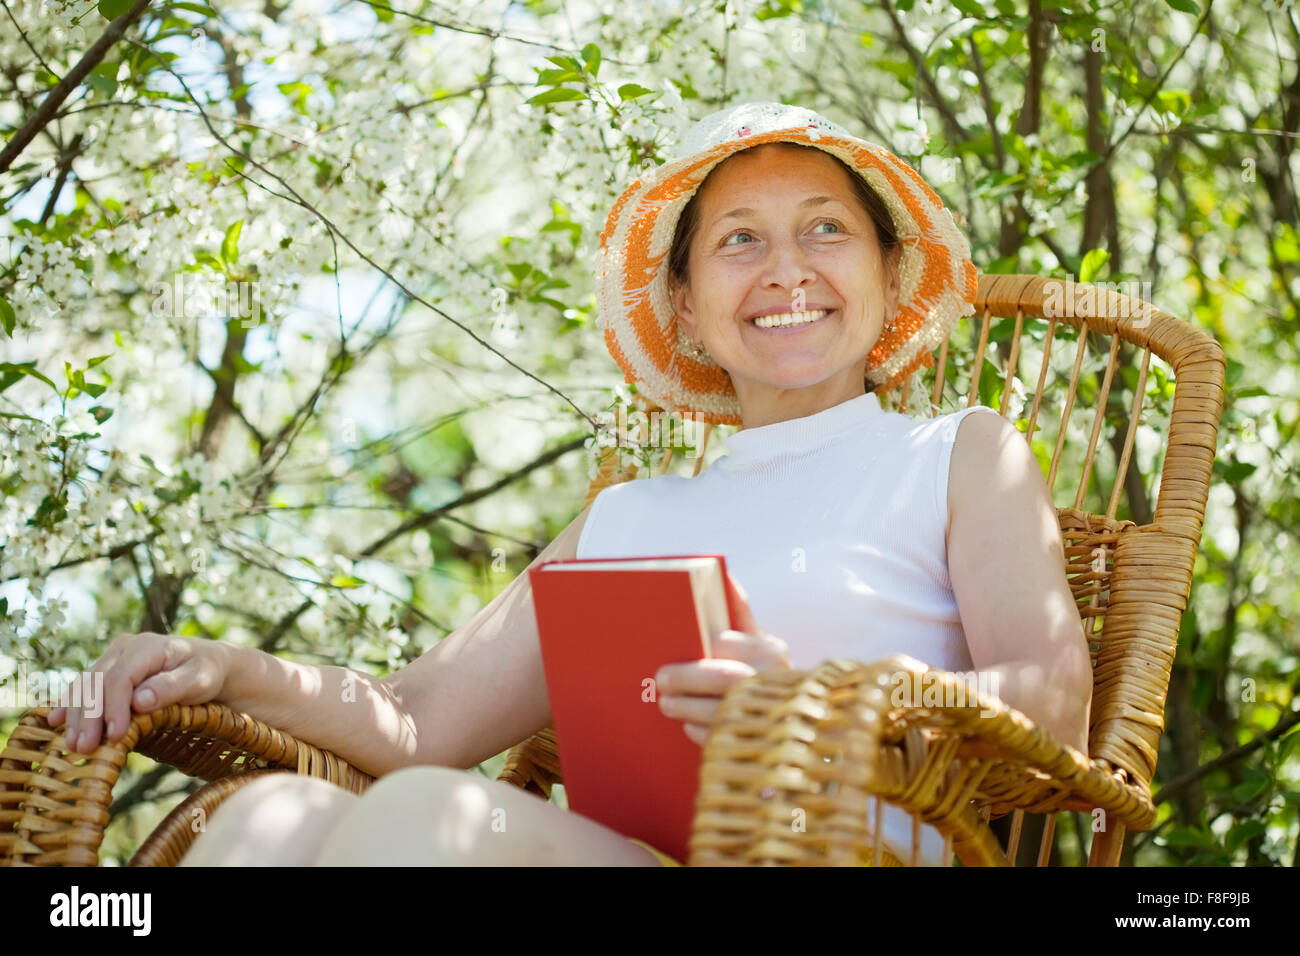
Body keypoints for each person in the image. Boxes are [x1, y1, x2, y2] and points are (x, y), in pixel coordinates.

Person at [47, 102, 1093, 867]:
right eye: (739, 241)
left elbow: (1054, 698)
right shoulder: (632, 516)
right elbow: (416, 719)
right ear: (684, 304)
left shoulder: (957, 451)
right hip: (621, 853)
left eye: (826, 228)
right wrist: (221, 665)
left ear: (884, 270)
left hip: (827, 852)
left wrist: (821, 699)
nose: (786, 270)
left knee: (423, 820)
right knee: (266, 817)